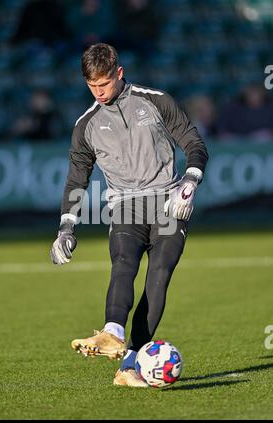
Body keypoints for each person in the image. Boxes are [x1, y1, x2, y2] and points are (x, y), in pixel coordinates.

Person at [50, 44, 208, 387]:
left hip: (168, 202)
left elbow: (194, 144)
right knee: (123, 263)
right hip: (126, 206)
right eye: (92, 86)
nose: (99, 92)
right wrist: (66, 227)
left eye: (104, 84)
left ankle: (130, 364)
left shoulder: (156, 101)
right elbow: (77, 178)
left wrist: (190, 182)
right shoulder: (85, 126)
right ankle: (111, 332)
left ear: (119, 73)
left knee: (159, 275)